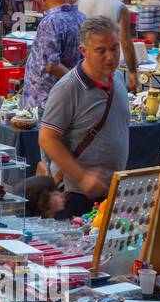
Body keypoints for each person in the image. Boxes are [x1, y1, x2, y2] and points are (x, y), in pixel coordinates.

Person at [39, 16, 131, 219]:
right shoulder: (68, 88)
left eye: (114, 48)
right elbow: (47, 138)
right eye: (101, 50)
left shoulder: (117, 78)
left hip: (111, 192)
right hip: (76, 195)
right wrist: (83, 177)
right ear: (84, 51)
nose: (110, 57)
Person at [22, 0, 85, 110]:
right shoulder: (82, 17)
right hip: (70, 97)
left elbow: (51, 65)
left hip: (46, 99)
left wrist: (77, 84)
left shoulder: (51, 21)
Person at [77, 0, 139, 92]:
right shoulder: (119, 7)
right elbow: (126, 42)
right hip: (104, 62)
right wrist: (132, 71)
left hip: (82, 60)